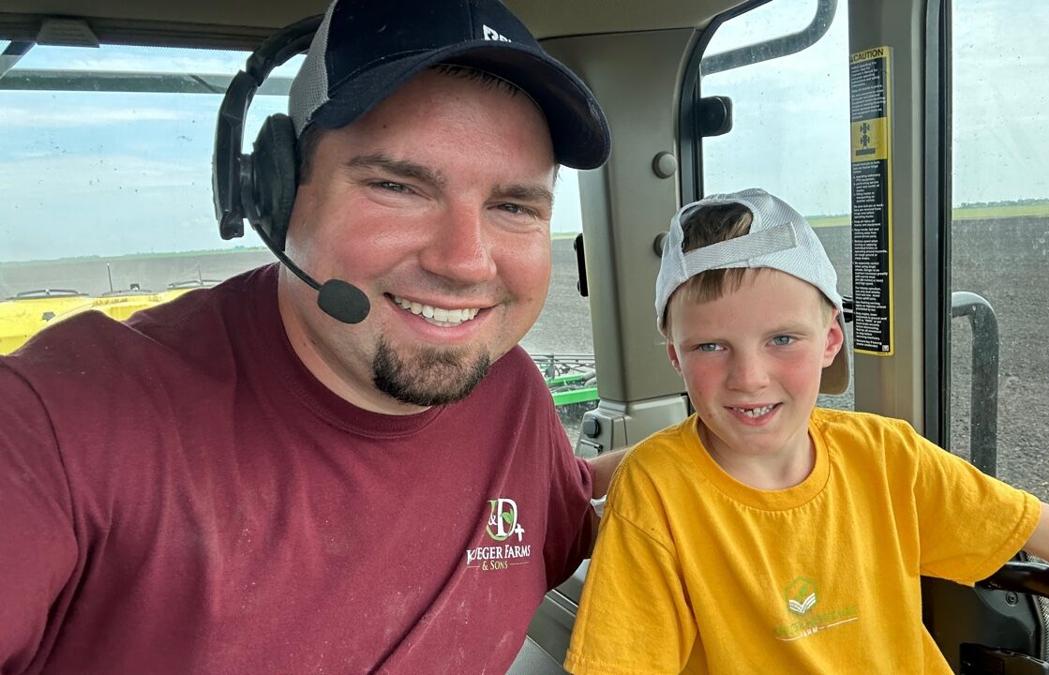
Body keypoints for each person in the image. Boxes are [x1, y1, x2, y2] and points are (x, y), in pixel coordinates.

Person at [0, 0, 622, 672]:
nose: (466, 261)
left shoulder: (510, 396)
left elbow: (569, 498)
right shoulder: (62, 421)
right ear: (272, 194)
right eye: (396, 186)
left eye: (512, 205)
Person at [564, 188, 1049, 673]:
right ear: (675, 357)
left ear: (830, 340)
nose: (749, 377)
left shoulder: (885, 456)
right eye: (710, 347)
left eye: (782, 338)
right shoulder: (657, 493)